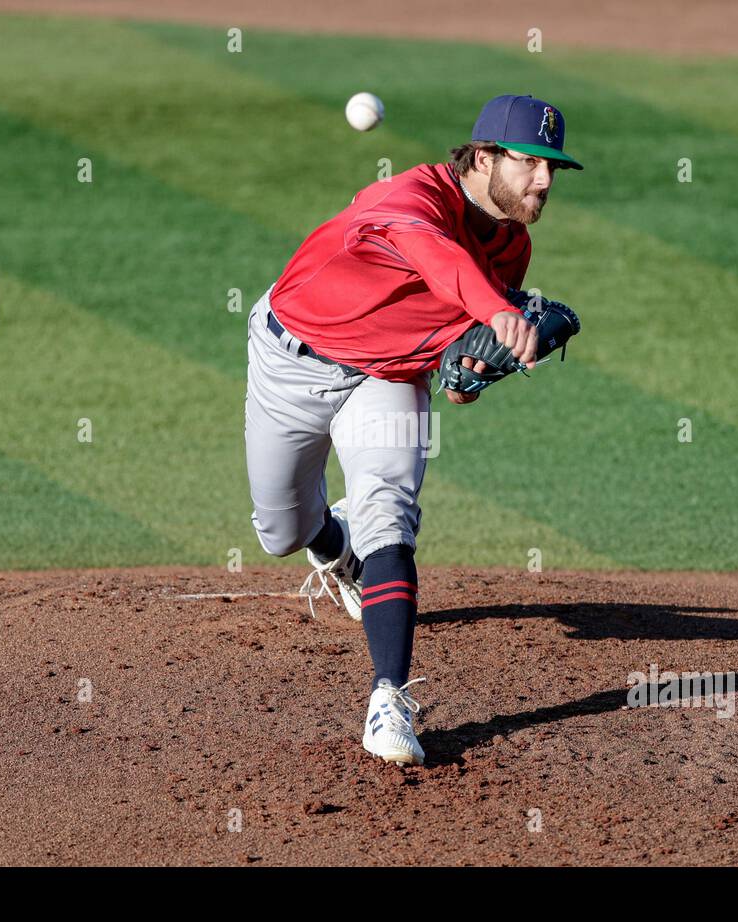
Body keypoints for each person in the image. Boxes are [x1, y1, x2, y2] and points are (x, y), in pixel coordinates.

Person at [244, 94, 583, 766]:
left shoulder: (514, 245)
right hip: (291, 361)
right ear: (483, 157)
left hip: (388, 378)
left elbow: (458, 367)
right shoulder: (410, 195)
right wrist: (495, 309)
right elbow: (436, 261)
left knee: (391, 518)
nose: (544, 181)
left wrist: (470, 374)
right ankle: (332, 543)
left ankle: (389, 697)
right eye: (530, 163)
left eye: (553, 169)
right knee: (279, 530)